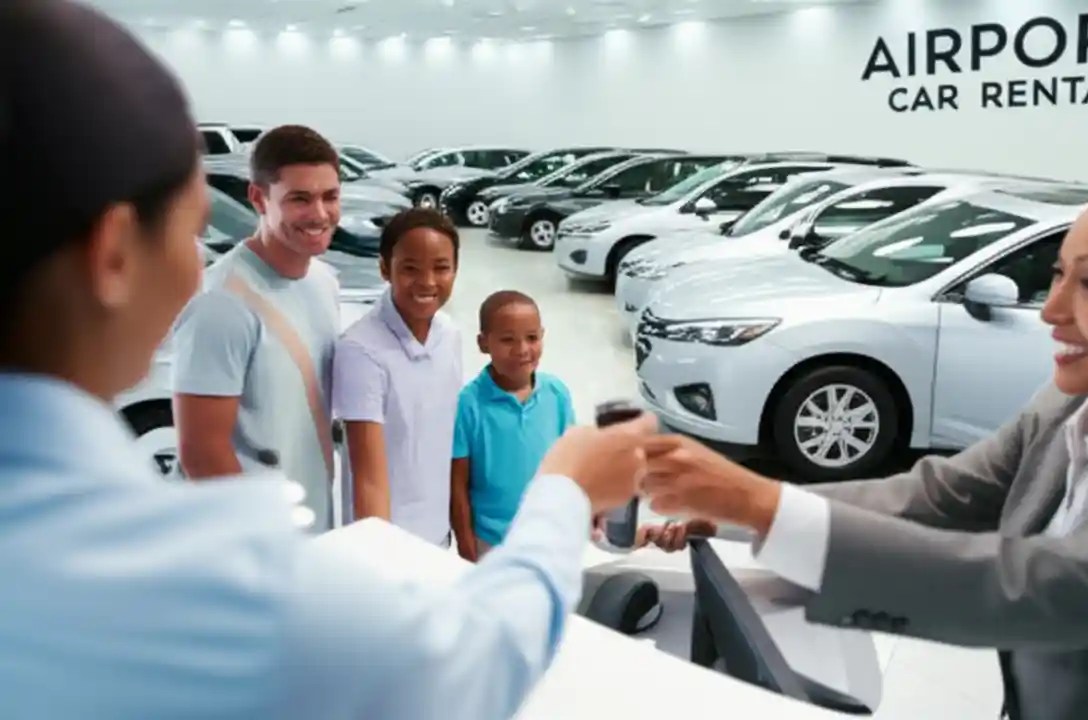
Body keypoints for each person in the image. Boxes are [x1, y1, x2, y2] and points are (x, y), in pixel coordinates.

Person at [0, 2, 654, 718]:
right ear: (114, 255)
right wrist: (569, 491)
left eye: (331, 197)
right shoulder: (211, 592)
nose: (197, 264)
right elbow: (472, 669)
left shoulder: (322, 284)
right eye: (189, 228)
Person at [638, 156, 1088, 719]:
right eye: (1057, 274)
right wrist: (733, 510)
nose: (1053, 311)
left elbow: (1018, 589)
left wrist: (755, 504)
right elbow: (941, 496)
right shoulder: (1068, 405)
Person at [171, 123, 343, 531]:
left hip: (311, 524)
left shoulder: (324, 281)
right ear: (258, 199)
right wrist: (263, 540)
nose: (319, 214)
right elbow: (201, 451)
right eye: (299, 199)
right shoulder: (221, 303)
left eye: (330, 196)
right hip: (254, 540)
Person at [333, 208, 463, 546]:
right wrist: (382, 560)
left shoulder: (449, 334)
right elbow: (368, 479)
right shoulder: (361, 349)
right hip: (387, 546)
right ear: (384, 268)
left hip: (437, 537)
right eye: (410, 268)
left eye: (441, 268)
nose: (427, 281)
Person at [451, 291, 576, 560]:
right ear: (483, 343)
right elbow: (457, 484)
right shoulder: (468, 404)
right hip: (491, 543)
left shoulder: (557, 394)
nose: (522, 350)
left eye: (532, 338)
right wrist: (465, 542)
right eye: (508, 340)